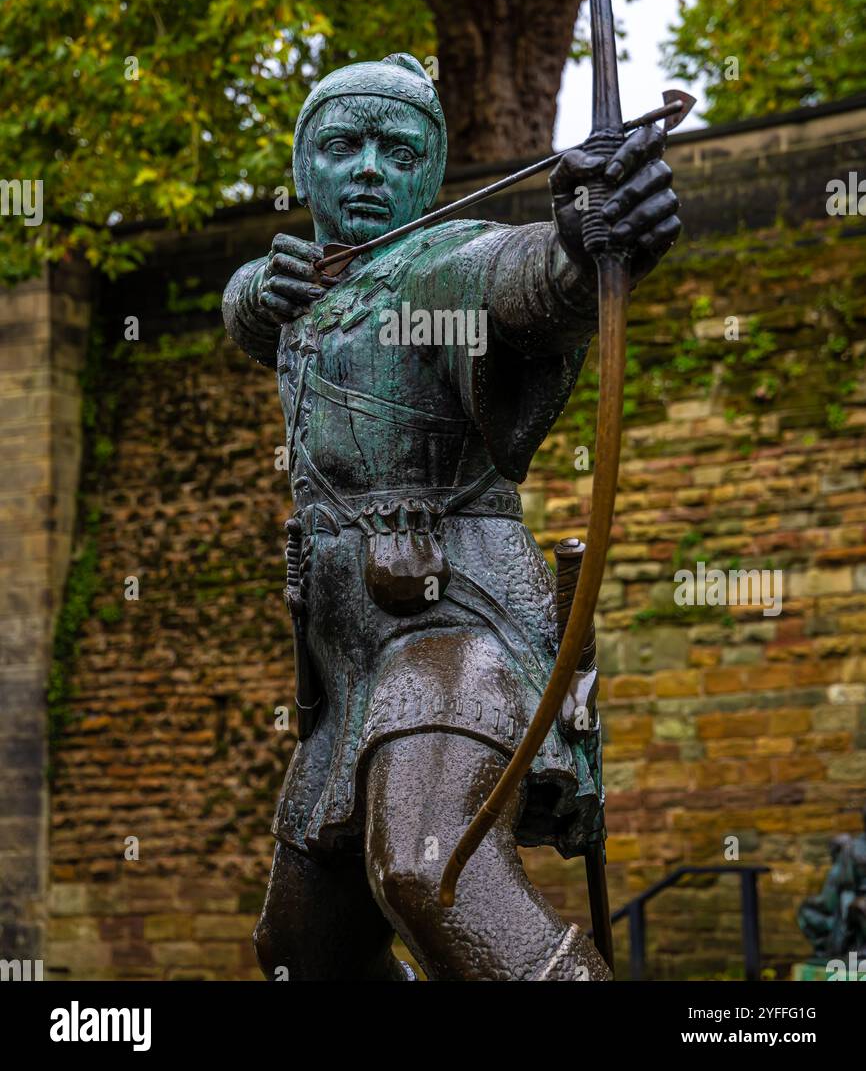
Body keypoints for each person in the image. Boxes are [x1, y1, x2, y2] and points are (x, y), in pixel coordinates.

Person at [222, 52, 680, 980]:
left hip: (453, 629)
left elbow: (520, 282)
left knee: (433, 869)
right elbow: (247, 305)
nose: (368, 171)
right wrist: (250, 294)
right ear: (304, 165)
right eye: (343, 147)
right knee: (301, 952)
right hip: (341, 662)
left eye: (398, 153)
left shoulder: (438, 270)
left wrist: (588, 234)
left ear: (428, 175)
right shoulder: (308, 286)